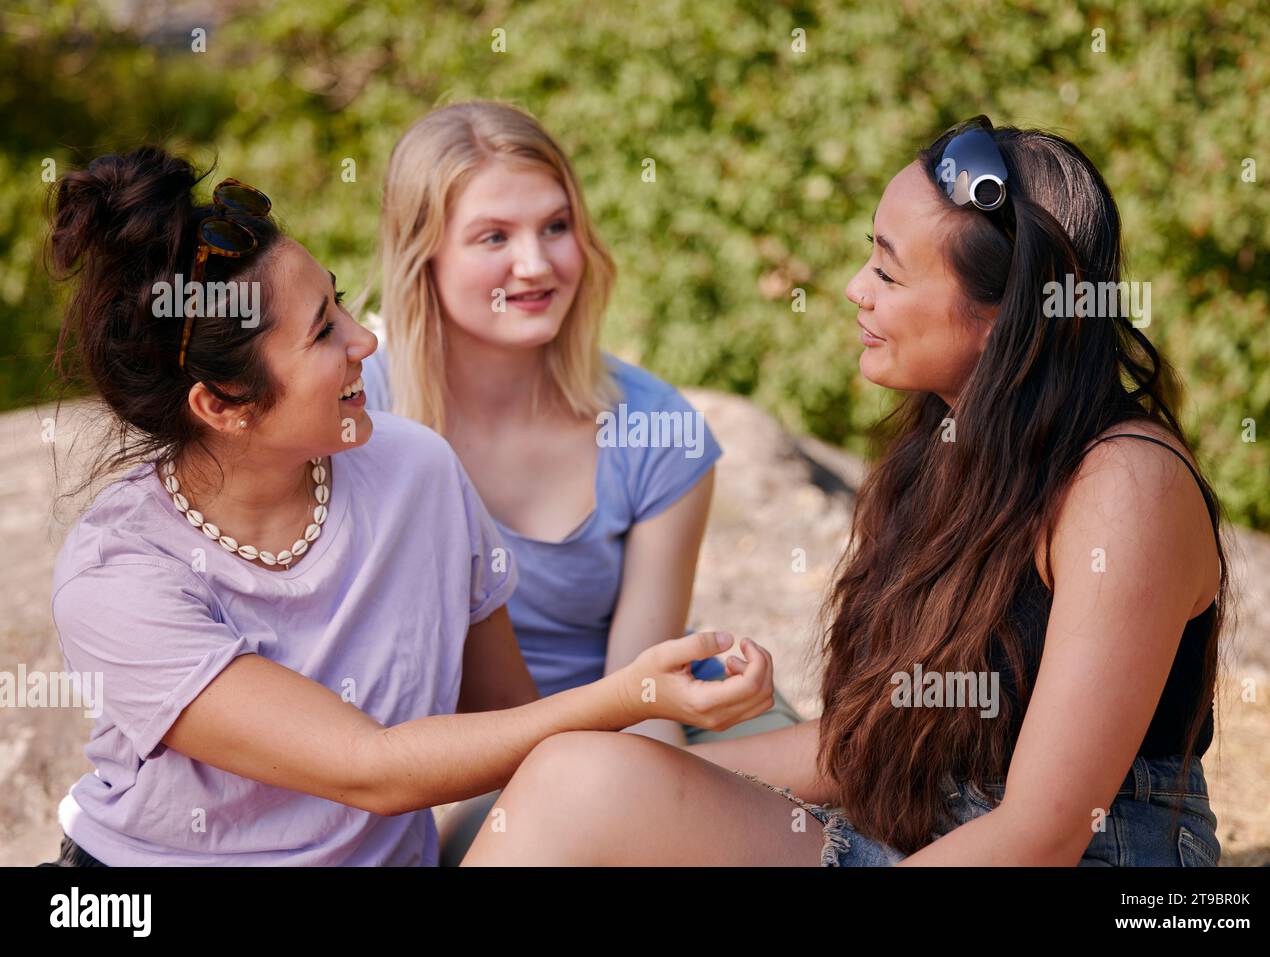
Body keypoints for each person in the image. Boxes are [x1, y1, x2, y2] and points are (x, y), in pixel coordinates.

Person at [460, 117, 1231, 867]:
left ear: (1004, 323)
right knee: (577, 778)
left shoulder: (1127, 487)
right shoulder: (950, 449)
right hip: (921, 833)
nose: (854, 288)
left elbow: (1040, 836)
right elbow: (869, 747)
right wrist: (655, 787)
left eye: (889, 273)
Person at [36, 146, 773, 867]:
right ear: (223, 403)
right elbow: (371, 768)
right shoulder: (118, 576)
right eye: (324, 332)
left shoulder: (417, 469)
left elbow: (506, 725)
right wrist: (633, 692)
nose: (363, 339)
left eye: (340, 303)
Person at [360, 100, 802, 862]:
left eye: (555, 227)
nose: (536, 265)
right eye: (493, 236)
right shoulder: (356, 404)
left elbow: (648, 707)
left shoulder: (657, 430)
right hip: (461, 767)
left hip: (648, 733)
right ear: (421, 253)